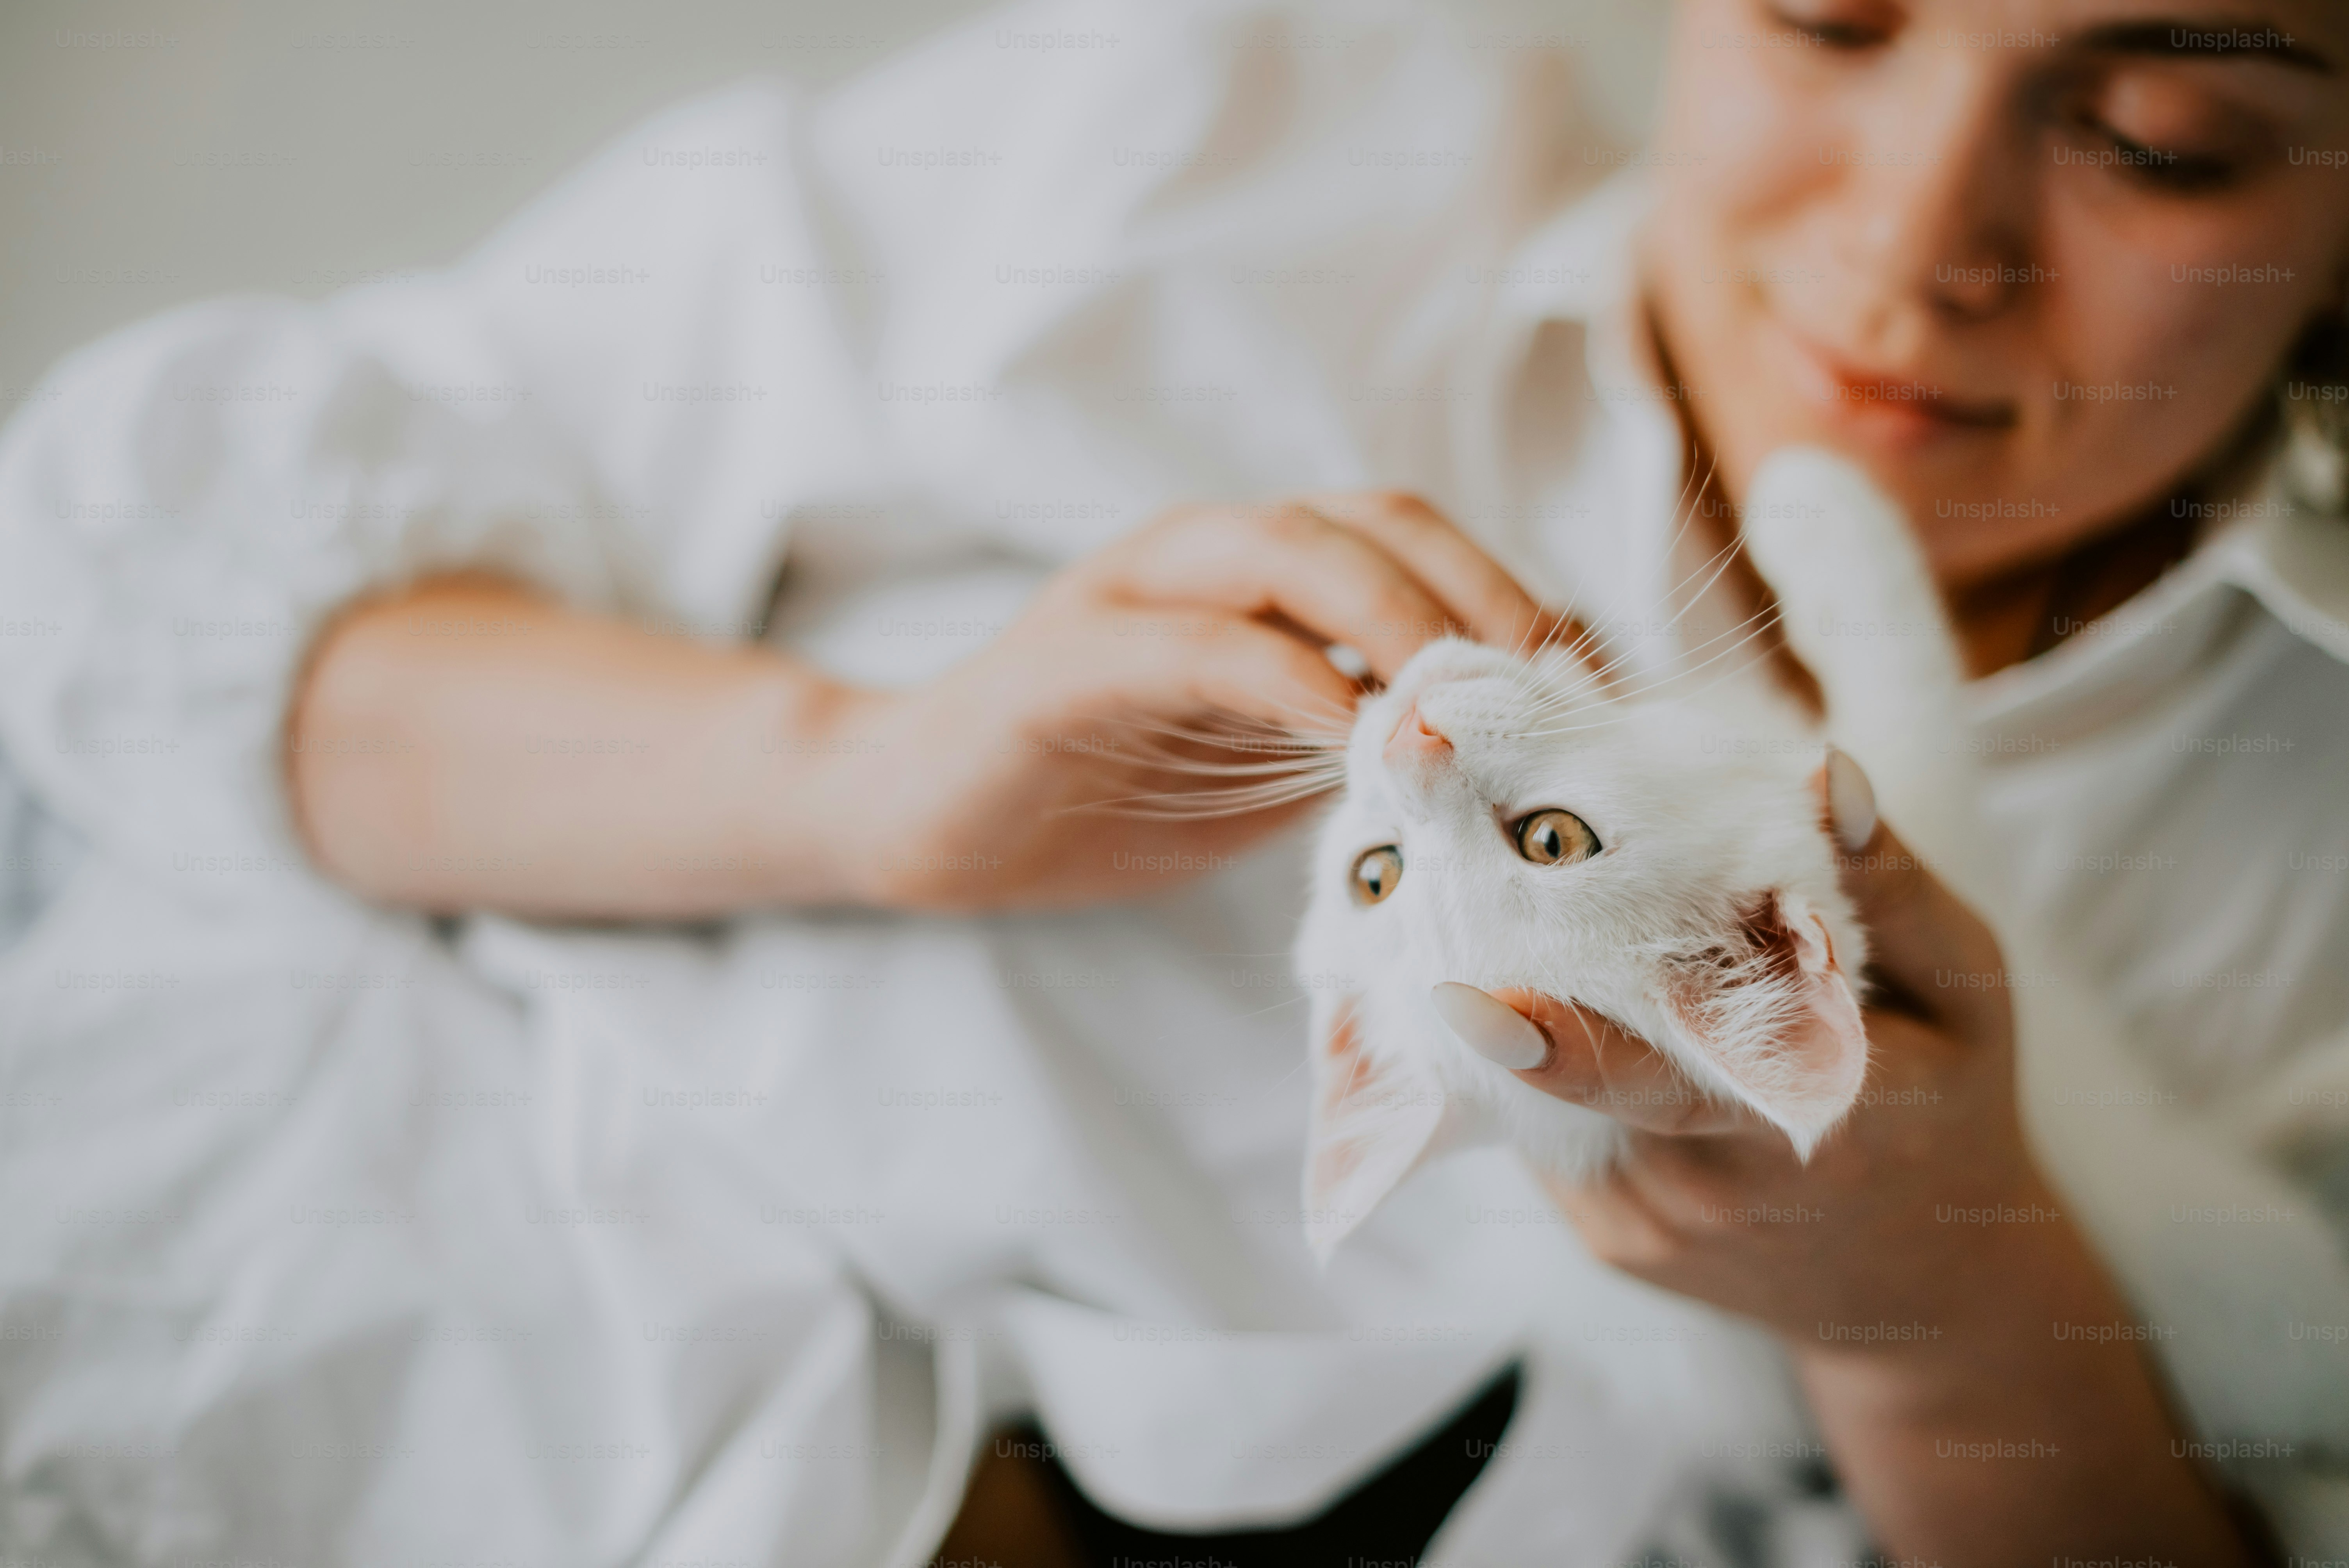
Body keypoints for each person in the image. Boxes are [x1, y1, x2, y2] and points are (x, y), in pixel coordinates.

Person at [1, 0, 2344, 1563]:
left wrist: (1936, 1310)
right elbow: (134, 600)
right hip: (355, 1299)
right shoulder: (1239, 146)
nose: (1913, 245)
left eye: (2170, 140)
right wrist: (870, 786)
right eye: (1834, 9)